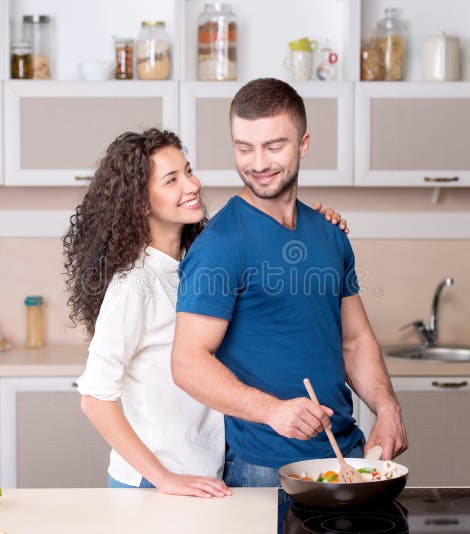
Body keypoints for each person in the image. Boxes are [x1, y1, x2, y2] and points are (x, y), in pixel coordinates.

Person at [64, 128, 350, 497]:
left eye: (188, 170)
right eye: (172, 180)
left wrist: (318, 225)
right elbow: (94, 400)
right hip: (155, 482)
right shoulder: (134, 284)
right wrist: (164, 478)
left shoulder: (199, 261)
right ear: (140, 203)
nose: (192, 184)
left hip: (206, 475)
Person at [171, 78, 408, 488]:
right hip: (266, 467)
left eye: (274, 146)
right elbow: (187, 363)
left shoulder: (329, 233)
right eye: (244, 148)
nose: (257, 162)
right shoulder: (221, 244)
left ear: (303, 143)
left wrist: (388, 410)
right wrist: (272, 411)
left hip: (347, 454)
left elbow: (354, 341)